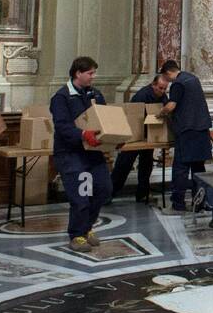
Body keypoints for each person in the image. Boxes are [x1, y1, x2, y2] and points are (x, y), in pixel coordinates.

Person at [50, 56, 113, 252]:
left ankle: (87, 227)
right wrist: (83, 134)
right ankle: (77, 234)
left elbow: (104, 119)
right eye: (90, 73)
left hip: (93, 152)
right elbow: (62, 127)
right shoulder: (62, 97)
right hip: (71, 153)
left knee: (103, 188)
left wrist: (112, 138)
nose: (93, 77)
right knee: (81, 194)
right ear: (78, 73)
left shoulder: (95, 94)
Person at [163, 60, 213, 212]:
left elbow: (171, 105)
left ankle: (178, 204)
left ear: (167, 73)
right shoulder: (193, 79)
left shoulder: (178, 83)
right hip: (202, 129)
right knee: (198, 168)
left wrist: (160, 113)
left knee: (181, 168)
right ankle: (199, 202)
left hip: (187, 131)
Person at [111, 72, 168, 204]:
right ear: (153, 85)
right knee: (124, 165)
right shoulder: (142, 95)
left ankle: (142, 193)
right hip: (134, 134)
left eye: (165, 88)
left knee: (146, 165)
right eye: (160, 88)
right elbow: (133, 115)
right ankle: (109, 193)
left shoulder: (162, 96)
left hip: (148, 135)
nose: (162, 91)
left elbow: (163, 107)